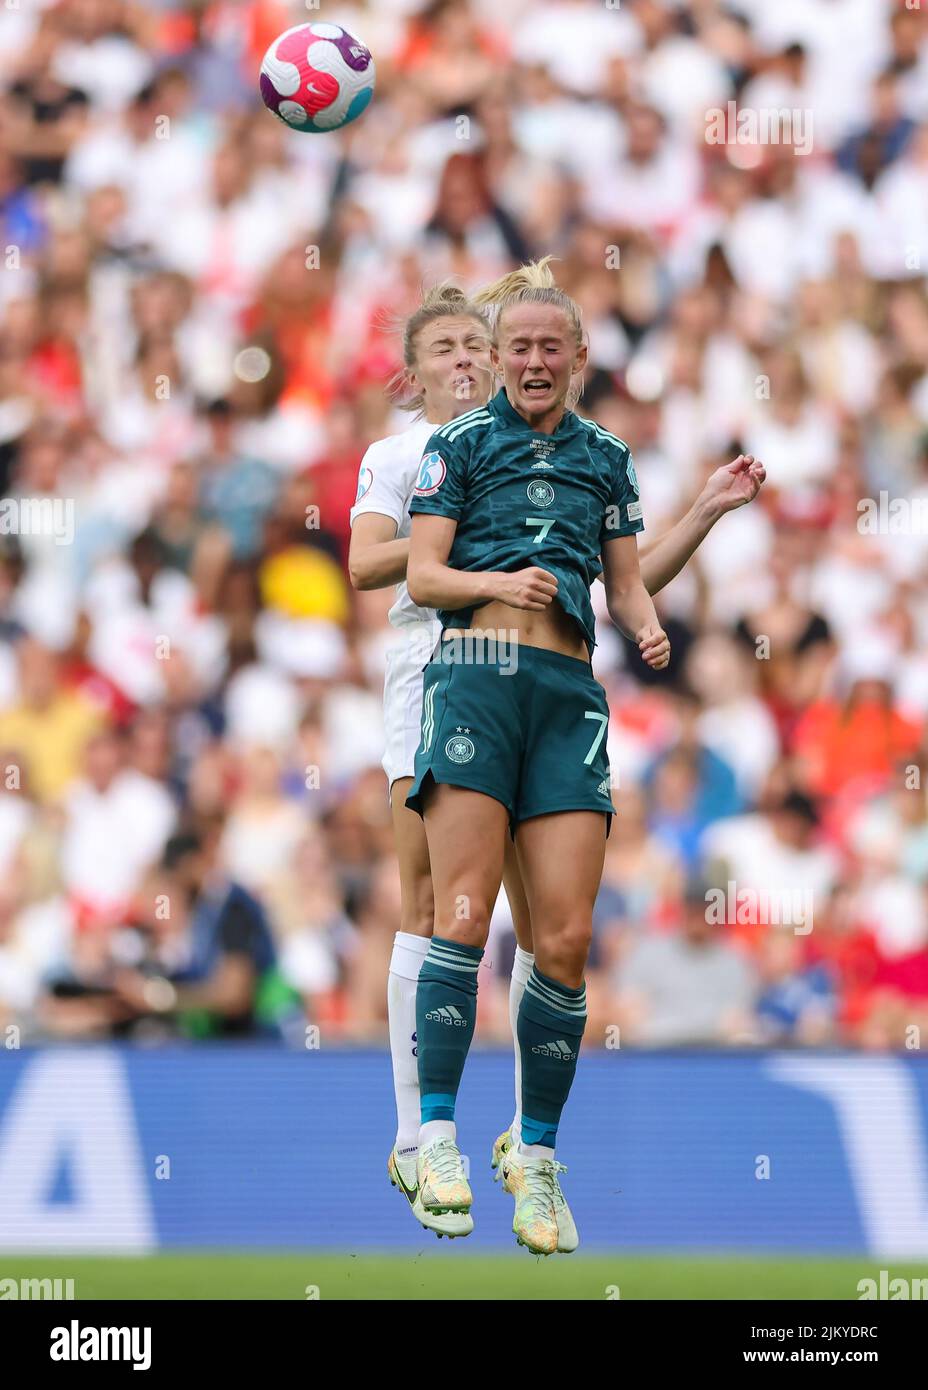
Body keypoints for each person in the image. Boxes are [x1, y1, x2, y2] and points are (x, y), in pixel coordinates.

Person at [347, 274, 766, 1246]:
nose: (524, 361)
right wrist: (497, 580)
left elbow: (622, 583)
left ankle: (534, 1155)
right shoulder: (440, 448)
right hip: (471, 672)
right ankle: (430, 1133)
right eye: (509, 345)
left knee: (564, 939)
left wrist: (668, 587)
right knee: (450, 910)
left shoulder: (605, 457)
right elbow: (411, 571)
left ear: (576, 358)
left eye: (548, 346)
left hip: (569, 689)